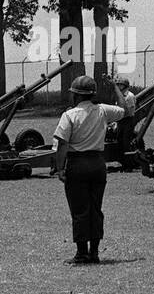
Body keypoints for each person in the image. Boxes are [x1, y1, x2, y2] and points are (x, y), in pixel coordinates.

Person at [53, 76, 126, 265]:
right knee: (95, 208)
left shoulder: (69, 115)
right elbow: (125, 109)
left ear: (76, 95)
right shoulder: (103, 110)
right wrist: (115, 88)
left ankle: (81, 253)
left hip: (77, 164)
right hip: (97, 164)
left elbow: (62, 144)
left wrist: (60, 168)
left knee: (79, 210)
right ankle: (94, 253)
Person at [114, 77, 137, 151]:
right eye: (118, 85)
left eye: (121, 85)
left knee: (126, 140)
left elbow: (129, 111)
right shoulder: (120, 96)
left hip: (127, 120)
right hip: (121, 120)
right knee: (119, 139)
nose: (119, 87)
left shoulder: (129, 96)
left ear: (125, 86)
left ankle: (128, 156)